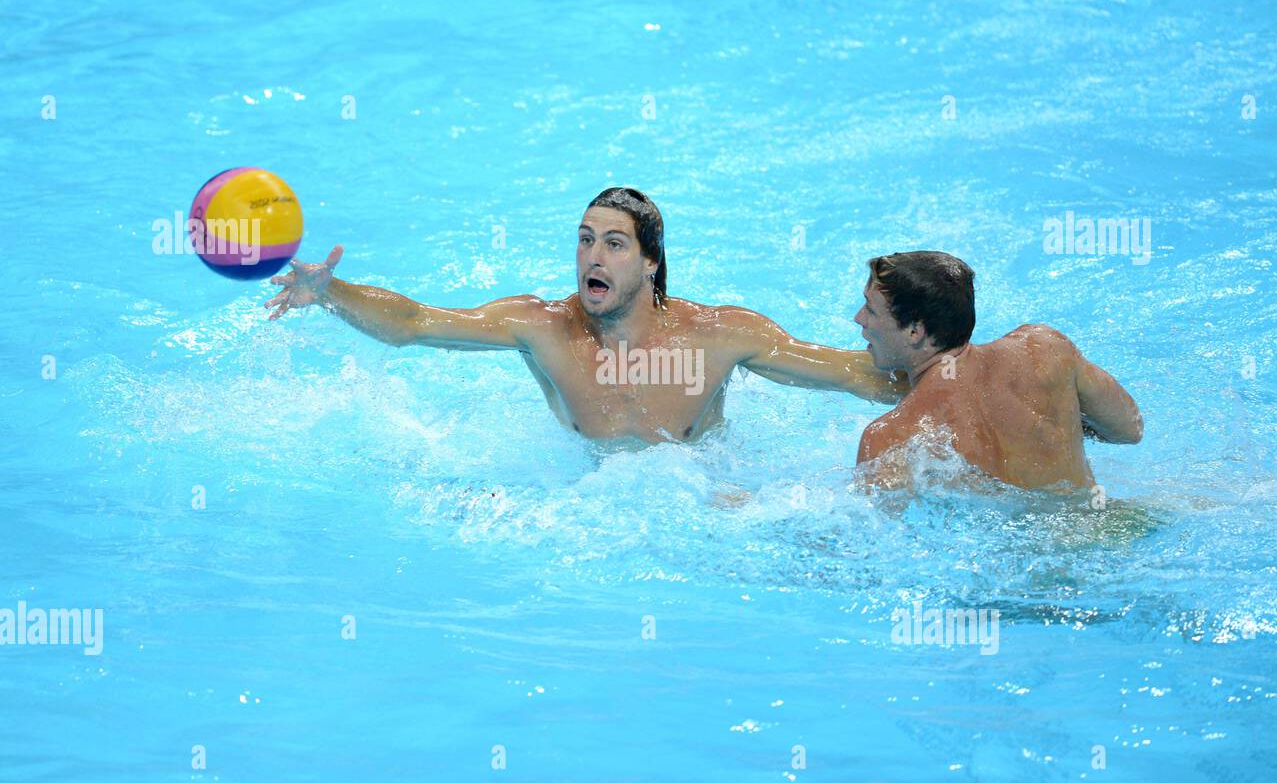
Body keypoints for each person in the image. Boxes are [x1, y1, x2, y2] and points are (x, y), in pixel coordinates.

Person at [264, 187, 904, 442]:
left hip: (704, 492)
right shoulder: (542, 327)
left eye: (614, 243)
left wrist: (961, 376)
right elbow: (414, 323)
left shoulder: (717, 335)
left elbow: (854, 375)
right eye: (584, 238)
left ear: (651, 262)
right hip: (586, 495)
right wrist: (330, 292)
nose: (592, 256)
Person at [852, 250, 1142, 489]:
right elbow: (1129, 429)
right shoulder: (1044, 349)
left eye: (871, 310)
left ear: (915, 331)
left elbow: (882, 537)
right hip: (1106, 529)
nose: (859, 318)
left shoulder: (890, 437)